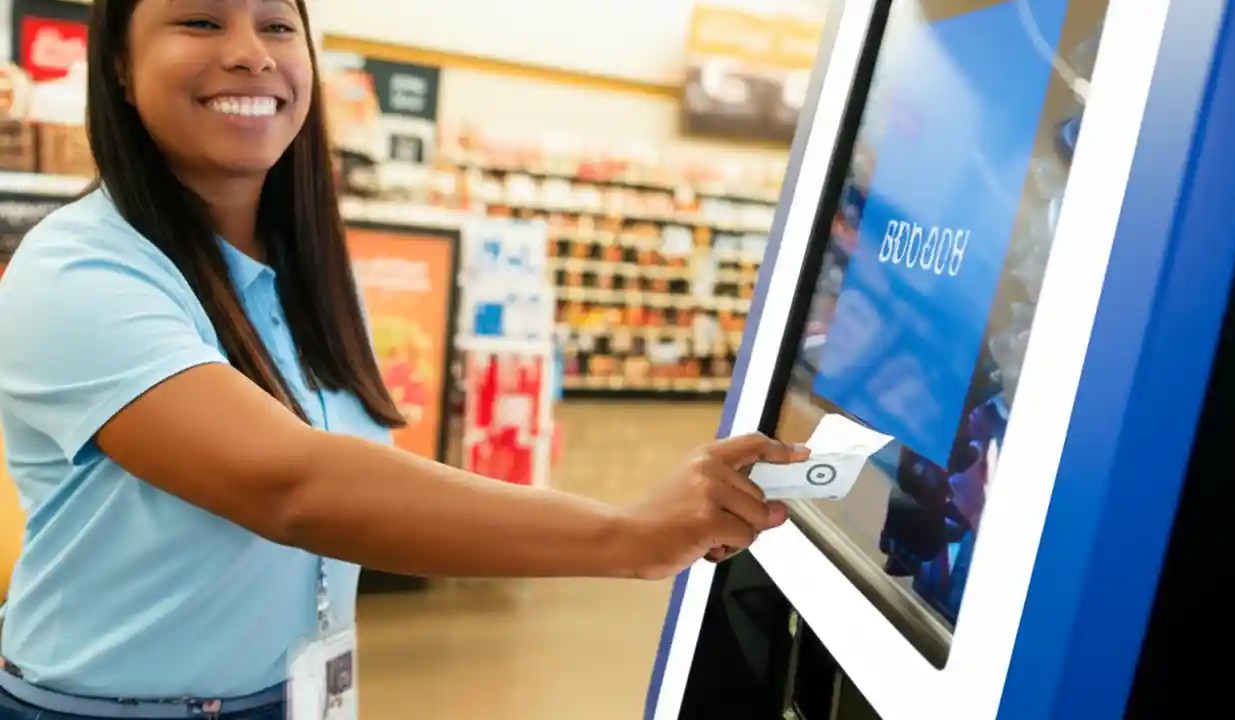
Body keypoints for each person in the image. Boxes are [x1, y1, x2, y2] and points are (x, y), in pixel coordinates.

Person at [0, 1, 808, 718]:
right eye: (200, 21)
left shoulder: (308, 276)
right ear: (120, 64)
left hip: (295, 693)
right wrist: (629, 536)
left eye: (278, 25)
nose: (251, 53)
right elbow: (292, 486)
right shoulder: (77, 272)